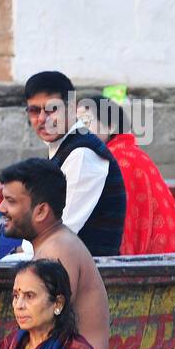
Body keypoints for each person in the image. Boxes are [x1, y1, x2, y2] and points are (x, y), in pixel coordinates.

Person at [0, 159, 119, 349]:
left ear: (41, 211)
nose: (1, 208)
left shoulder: (56, 252)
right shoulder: (53, 245)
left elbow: (46, 335)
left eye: (11, 201)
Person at [20, 71, 126, 257]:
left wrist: (20, 251)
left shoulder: (83, 154)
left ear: (72, 108)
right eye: (35, 110)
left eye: (52, 109)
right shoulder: (62, 147)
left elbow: (59, 230)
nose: (42, 119)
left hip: (87, 273)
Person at [84, 97, 175, 255]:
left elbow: (123, 224)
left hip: (154, 255)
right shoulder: (131, 152)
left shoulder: (113, 161)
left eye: (85, 123)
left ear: (111, 126)